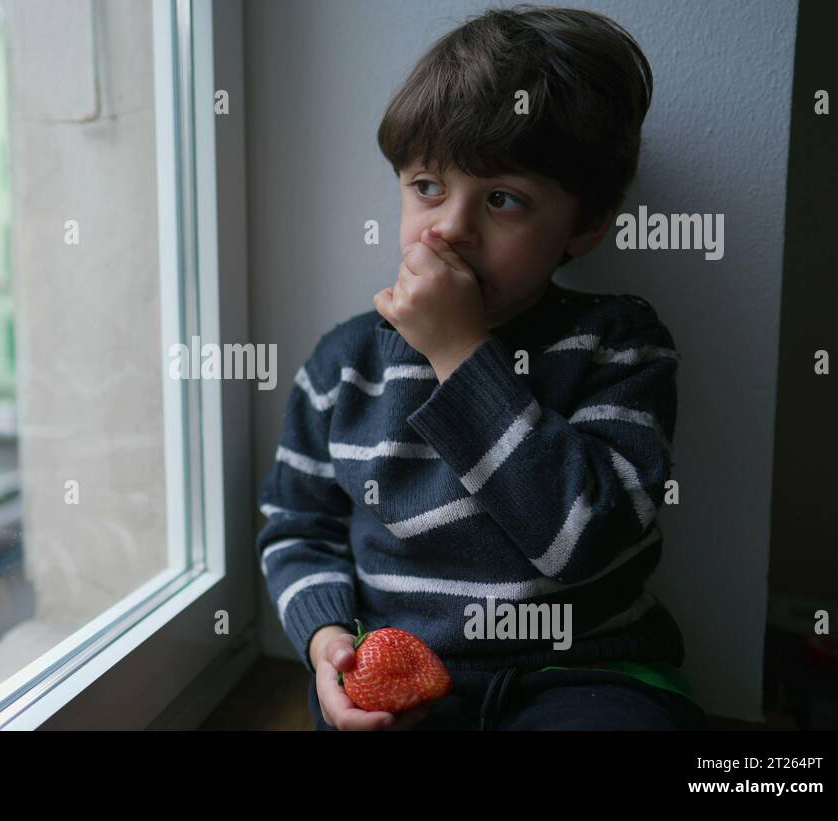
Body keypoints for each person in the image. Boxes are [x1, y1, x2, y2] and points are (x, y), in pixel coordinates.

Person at [256, 5, 706, 731]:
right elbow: (297, 525)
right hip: (402, 667)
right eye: (428, 186)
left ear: (586, 224)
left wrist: (460, 354)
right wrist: (325, 638)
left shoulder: (619, 346)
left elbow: (580, 538)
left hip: (584, 671)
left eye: (503, 199)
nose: (451, 227)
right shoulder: (343, 364)